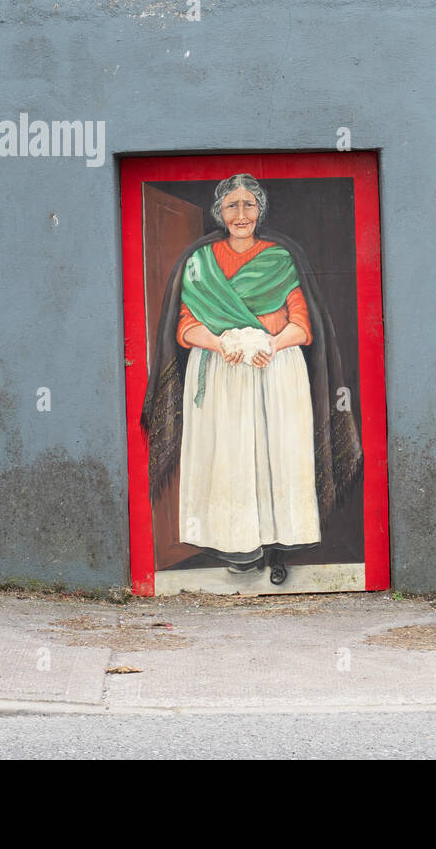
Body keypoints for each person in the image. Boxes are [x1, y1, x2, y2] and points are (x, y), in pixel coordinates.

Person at [141, 173, 362, 585]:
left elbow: (303, 325)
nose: (241, 214)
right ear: (219, 213)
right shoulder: (199, 264)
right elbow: (185, 328)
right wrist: (222, 344)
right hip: (223, 372)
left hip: (275, 371)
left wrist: (272, 346)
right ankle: (238, 544)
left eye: (248, 205)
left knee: (277, 453)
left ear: (259, 210)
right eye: (231, 206)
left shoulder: (280, 258)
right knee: (231, 457)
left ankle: (281, 538)